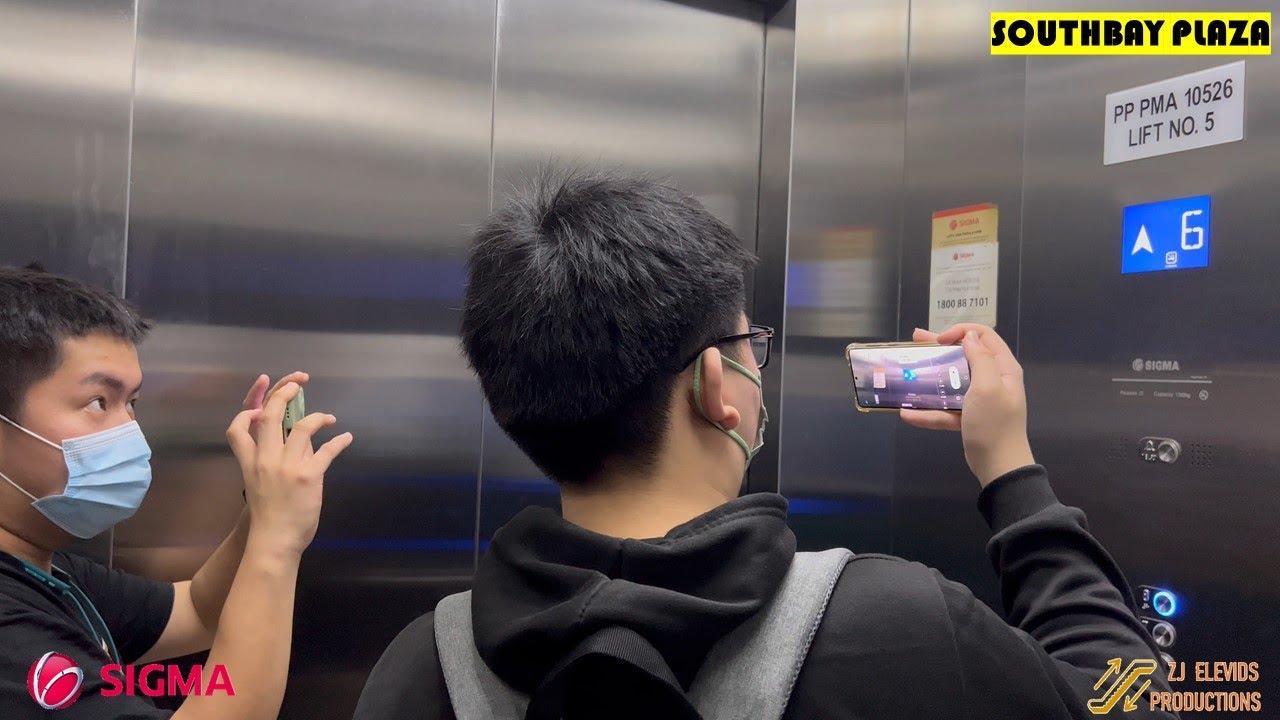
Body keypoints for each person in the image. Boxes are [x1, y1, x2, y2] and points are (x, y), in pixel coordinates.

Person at [353, 171, 1176, 720]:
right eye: (754, 346)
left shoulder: (421, 666)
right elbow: (1127, 698)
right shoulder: (901, 626)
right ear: (716, 386)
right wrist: (1013, 472)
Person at [0, 264, 353, 719]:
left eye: (132, 403)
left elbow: (198, 611)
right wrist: (278, 538)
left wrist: (260, 507)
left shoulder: (47, 572)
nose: (130, 431)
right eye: (97, 403)